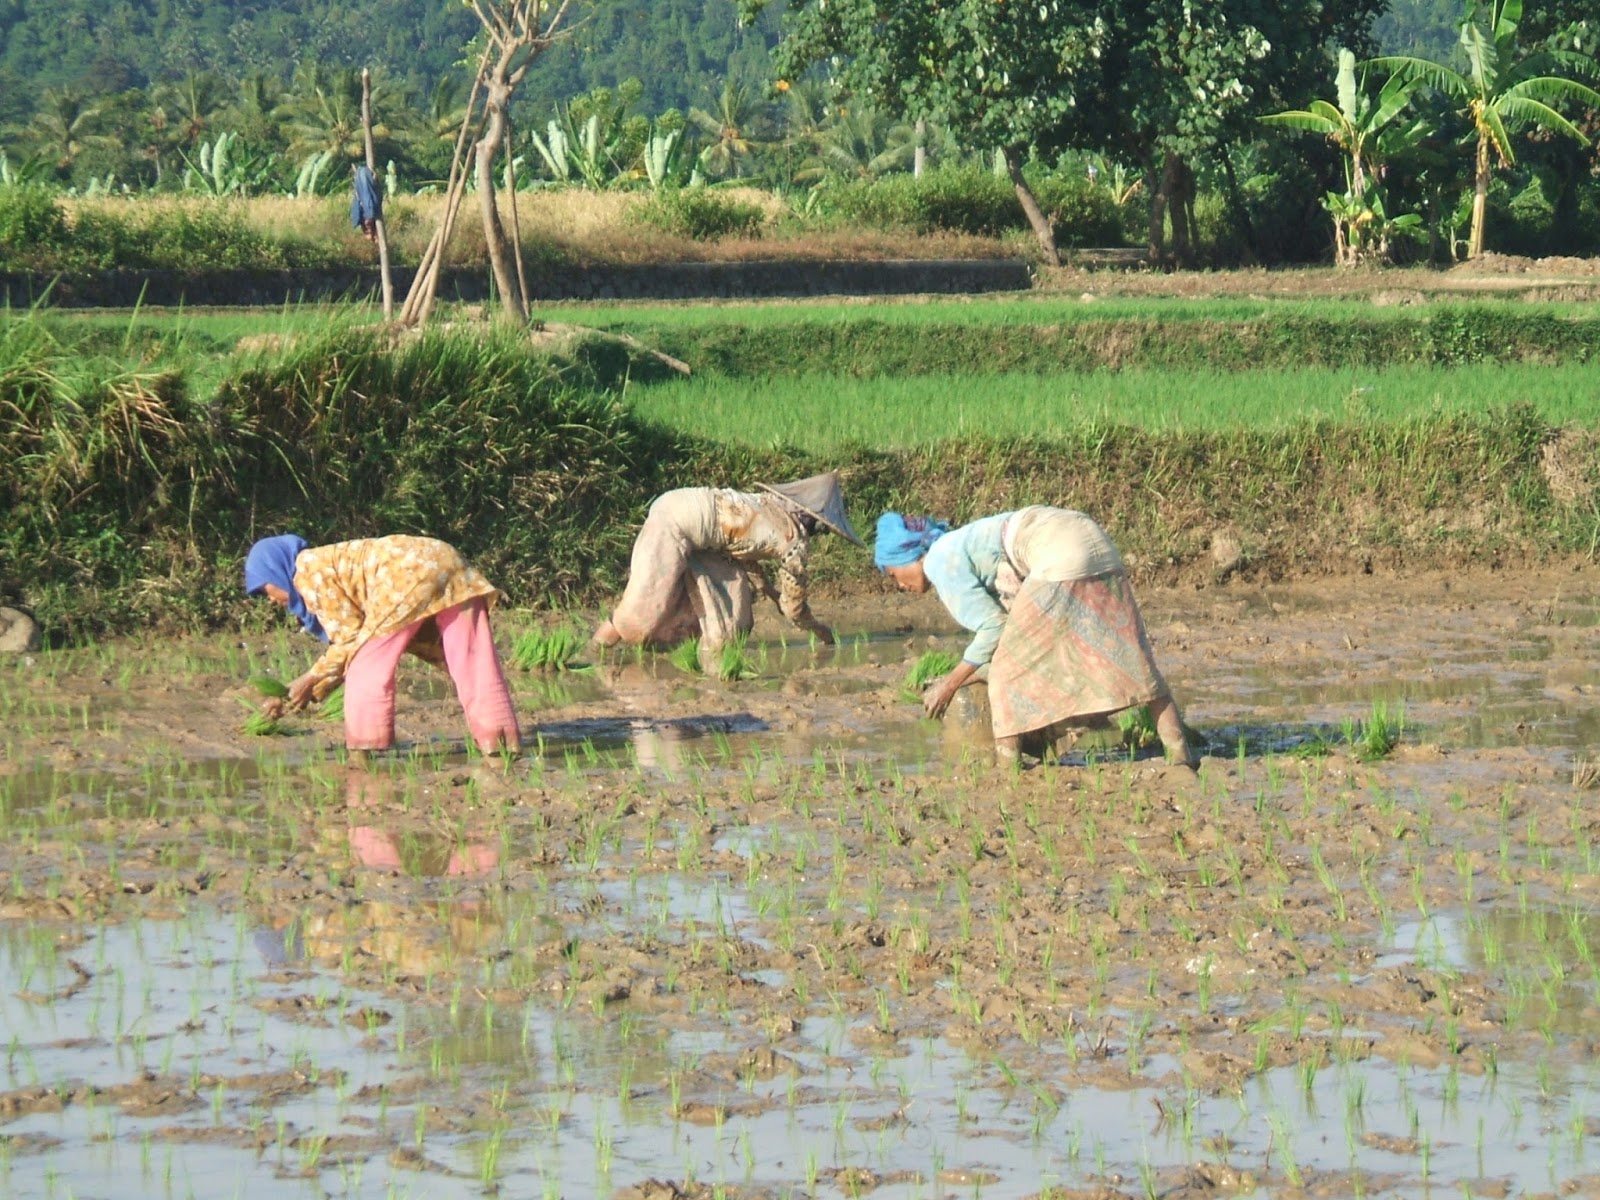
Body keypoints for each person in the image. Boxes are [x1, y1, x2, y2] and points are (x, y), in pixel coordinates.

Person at [875, 506, 1196, 767]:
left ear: (909, 555)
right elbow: (1012, 629)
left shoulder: (940, 561)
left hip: (1055, 551)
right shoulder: (964, 542)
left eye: (892, 574)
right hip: (1091, 536)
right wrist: (965, 675)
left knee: (1005, 671)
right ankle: (1181, 755)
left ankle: (1008, 766)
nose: (899, 586)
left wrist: (949, 684)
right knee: (1131, 658)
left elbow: (994, 629)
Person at [243, 534, 521, 756]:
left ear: (276, 570)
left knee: (367, 662)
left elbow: (350, 641)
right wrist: (303, 690)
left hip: (408, 573)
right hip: (445, 558)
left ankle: (365, 751)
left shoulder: (309, 571)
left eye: (264, 588)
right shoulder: (325, 562)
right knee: (471, 658)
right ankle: (499, 745)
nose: (269, 599)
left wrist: (310, 678)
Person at [593, 472, 863, 662]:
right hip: (677, 523)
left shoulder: (767, 504)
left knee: (735, 619)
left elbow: (745, 551)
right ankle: (594, 650)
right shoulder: (794, 540)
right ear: (816, 521)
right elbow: (794, 609)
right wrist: (819, 630)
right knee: (641, 615)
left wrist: (768, 590)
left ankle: (710, 661)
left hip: (701, 530)